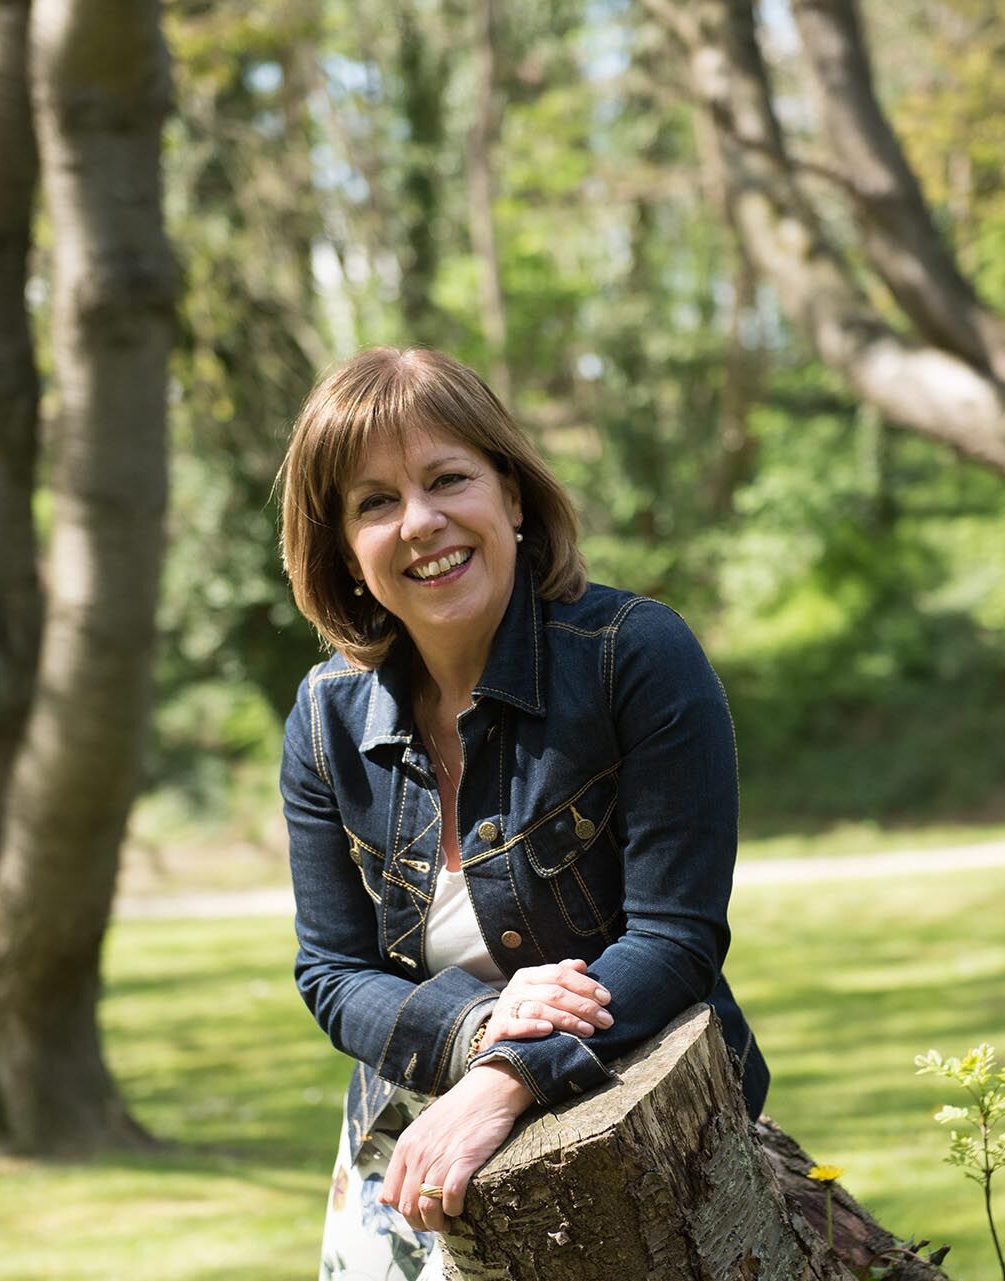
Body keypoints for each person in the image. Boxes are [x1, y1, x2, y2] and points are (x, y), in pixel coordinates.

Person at [277, 347, 767, 1279]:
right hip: (406, 1149)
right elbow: (331, 971)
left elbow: (677, 937)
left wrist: (509, 1074)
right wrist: (479, 1025)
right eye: (374, 501)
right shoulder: (321, 717)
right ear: (343, 547)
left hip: (637, 1131)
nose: (421, 522)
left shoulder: (635, 655)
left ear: (513, 493)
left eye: (447, 478)